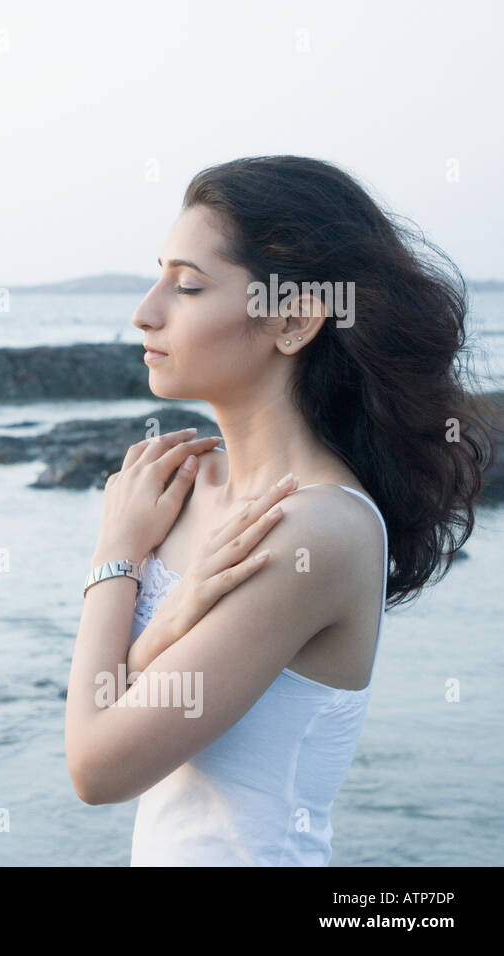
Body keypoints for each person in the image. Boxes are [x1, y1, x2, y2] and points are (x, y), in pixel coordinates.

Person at [63, 155, 496, 865]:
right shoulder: (184, 488)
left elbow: (98, 767)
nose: (145, 311)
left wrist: (114, 558)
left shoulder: (314, 530)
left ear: (293, 320)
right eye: (158, 276)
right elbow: (123, 701)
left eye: (189, 285)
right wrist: (169, 617)